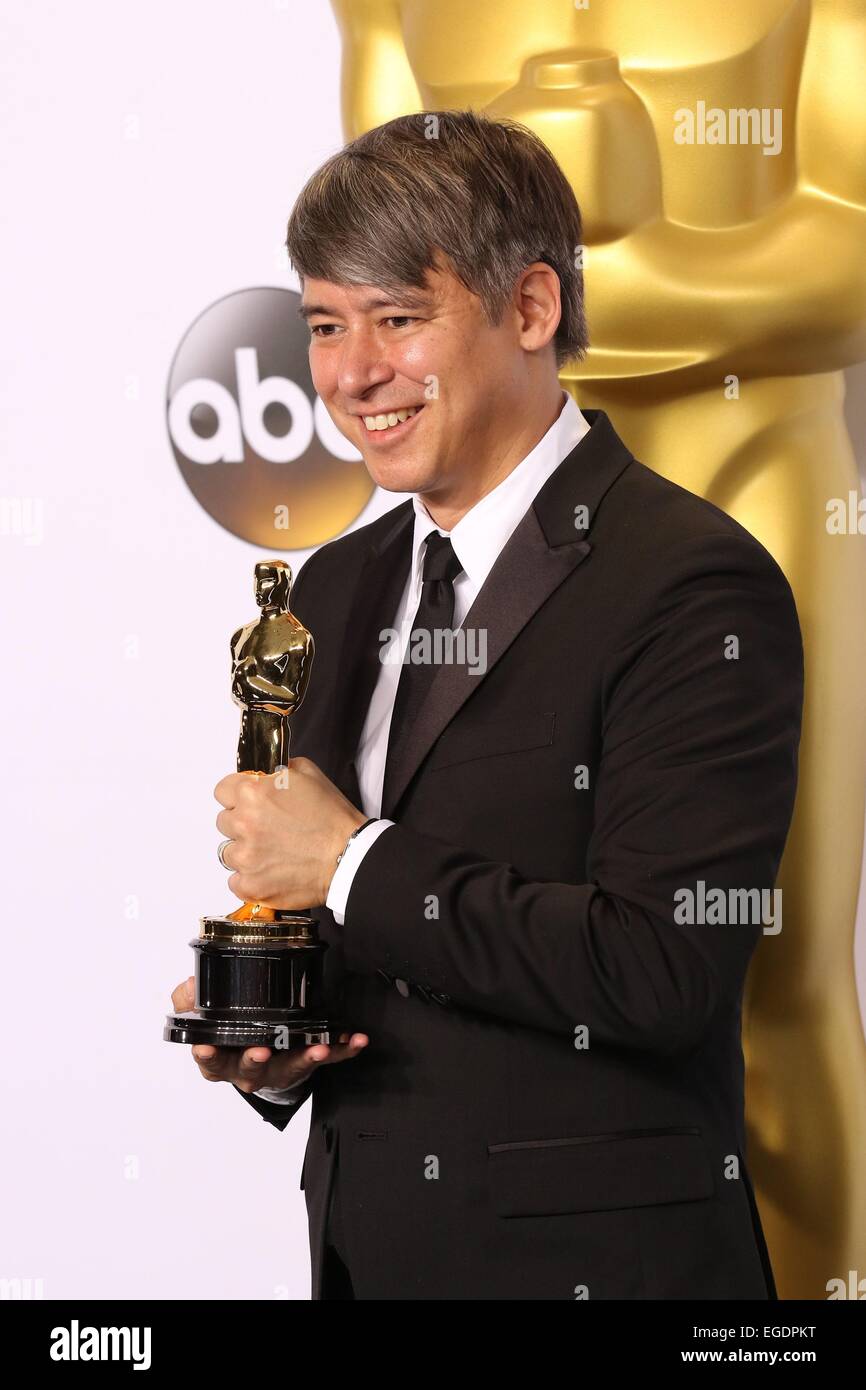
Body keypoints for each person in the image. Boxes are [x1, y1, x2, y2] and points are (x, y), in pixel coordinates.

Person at [170, 110, 803, 1300]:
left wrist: (351, 860)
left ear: (529, 309)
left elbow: (661, 970)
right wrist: (272, 1039)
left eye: (398, 319)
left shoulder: (686, 581)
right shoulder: (334, 585)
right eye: (323, 325)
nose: (351, 375)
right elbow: (380, 951)